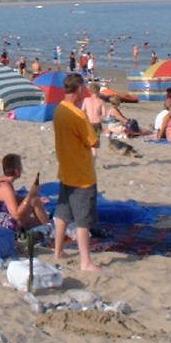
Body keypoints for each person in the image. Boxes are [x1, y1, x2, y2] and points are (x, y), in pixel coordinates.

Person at [52, 73, 101, 272]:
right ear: (79, 89)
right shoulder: (77, 115)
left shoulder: (59, 110)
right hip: (81, 174)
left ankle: (58, 251)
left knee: (63, 215)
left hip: (66, 170)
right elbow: (94, 141)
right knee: (83, 220)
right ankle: (86, 262)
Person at [0, 154, 50, 231]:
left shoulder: (2, 180)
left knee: (35, 201)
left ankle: (45, 225)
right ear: (17, 170)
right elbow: (16, 215)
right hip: (1, 224)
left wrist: (30, 198)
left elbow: (11, 199)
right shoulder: (5, 187)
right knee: (34, 201)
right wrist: (30, 195)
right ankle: (48, 228)